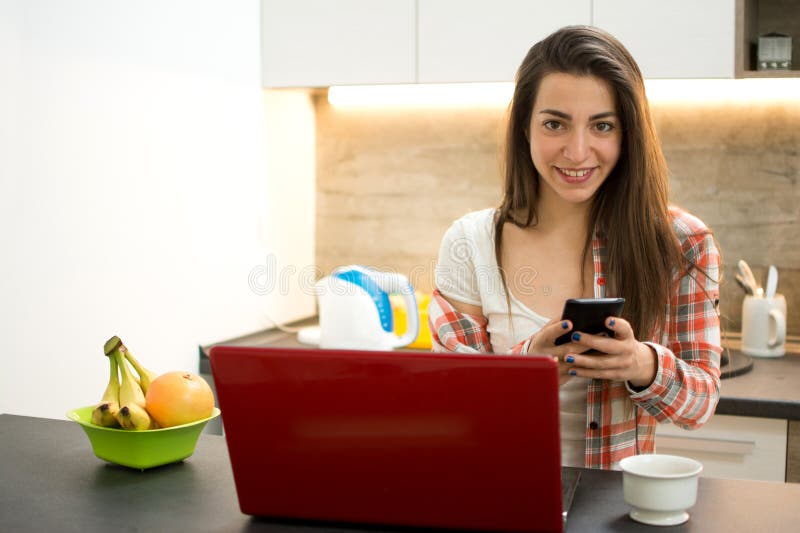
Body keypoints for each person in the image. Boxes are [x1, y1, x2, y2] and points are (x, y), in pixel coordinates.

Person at [429, 26, 722, 470]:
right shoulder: (471, 244)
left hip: (616, 507)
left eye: (602, 125)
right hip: (502, 494)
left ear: (627, 136)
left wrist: (642, 364)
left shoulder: (682, 242)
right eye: (555, 124)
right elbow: (449, 402)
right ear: (524, 127)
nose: (578, 150)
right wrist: (529, 368)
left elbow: (700, 405)